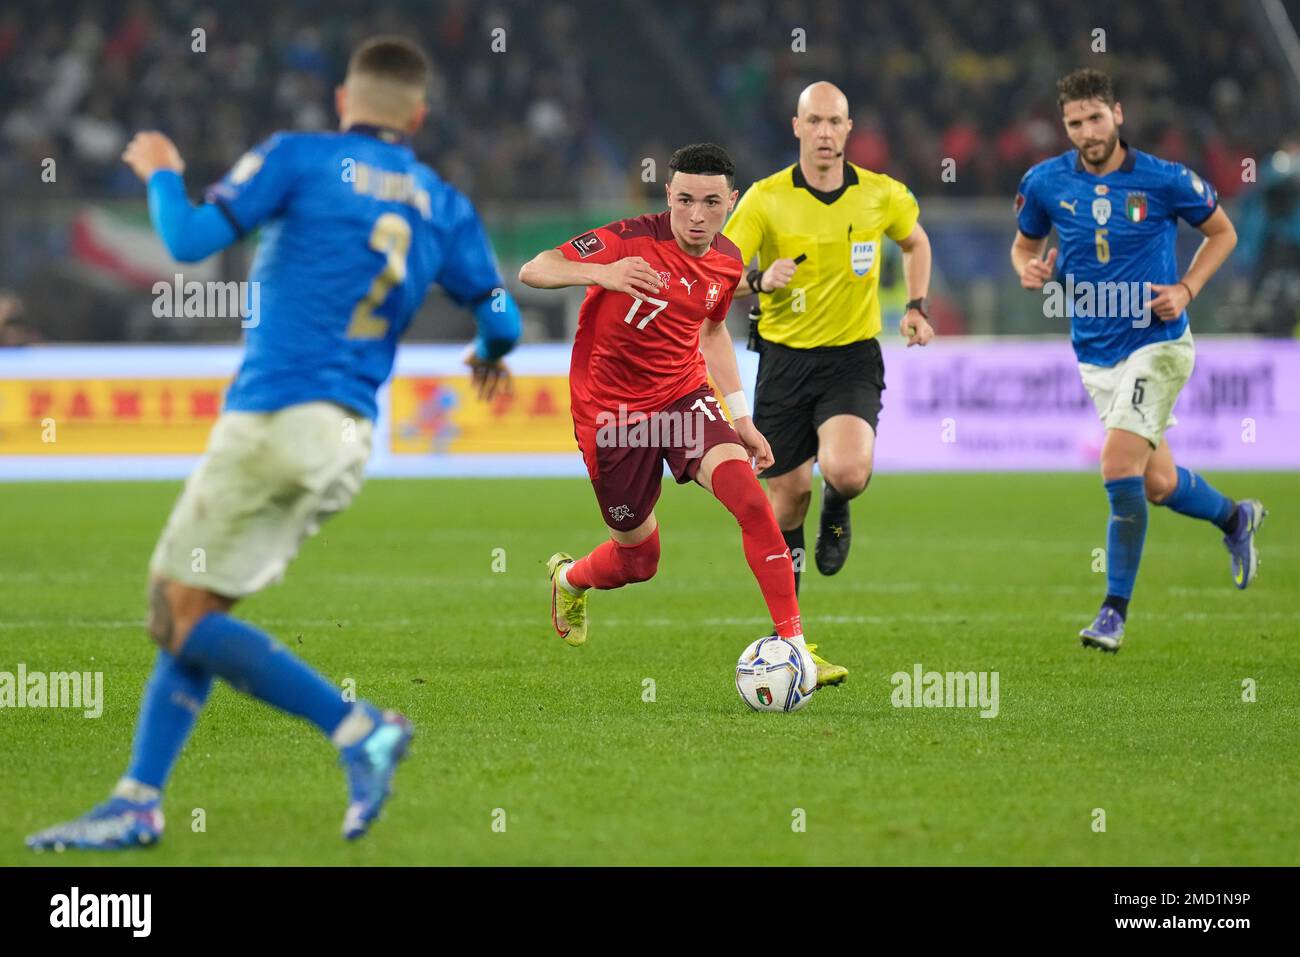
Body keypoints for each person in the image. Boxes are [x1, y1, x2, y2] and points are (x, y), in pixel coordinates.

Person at [26, 35, 520, 850]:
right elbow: (499, 315)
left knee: (168, 609)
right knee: (198, 607)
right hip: (351, 435)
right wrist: (490, 356)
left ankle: (358, 726)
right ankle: (138, 799)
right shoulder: (444, 202)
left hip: (277, 414)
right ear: (419, 116)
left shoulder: (299, 157)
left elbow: (185, 241)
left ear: (342, 102)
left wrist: (157, 167)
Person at [518, 143, 824, 691]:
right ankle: (568, 579)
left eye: (711, 202)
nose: (697, 215)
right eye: (685, 200)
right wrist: (604, 273)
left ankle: (797, 648)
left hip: (683, 398)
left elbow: (711, 332)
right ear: (669, 196)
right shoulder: (629, 238)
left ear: (732, 201)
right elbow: (535, 269)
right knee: (640, 560)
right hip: (612, 417)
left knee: (753, 502)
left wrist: (741, 417)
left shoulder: (728, 262)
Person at [1010, 68, 1263, 653]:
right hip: (1096, 355)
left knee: (1117, 468)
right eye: (1074, 122)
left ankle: (1112, 611)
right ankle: (1235, 518)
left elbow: (1221, 233)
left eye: (1095, 118)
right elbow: (1025, 244)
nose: (1086, 131)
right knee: (1158, 483)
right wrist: (1028, 267)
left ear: (1117, 114)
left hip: (1160, 343)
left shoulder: (1164, 178)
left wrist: (1188, 289)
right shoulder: (1045, 182)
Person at [723, 81, 936, 684]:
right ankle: (793, 639)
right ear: (796, 127)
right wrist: (762, 280)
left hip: (851, 358)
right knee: (785, 499)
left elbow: (916, 241)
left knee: (847, 470)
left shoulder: (880, 194)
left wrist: (917, 306)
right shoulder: (764, 200)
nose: (823, 132)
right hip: (784, 364)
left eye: (833, 121)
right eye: (812, 120)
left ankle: (839, 503)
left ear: (848, 128)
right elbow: (718, 277)